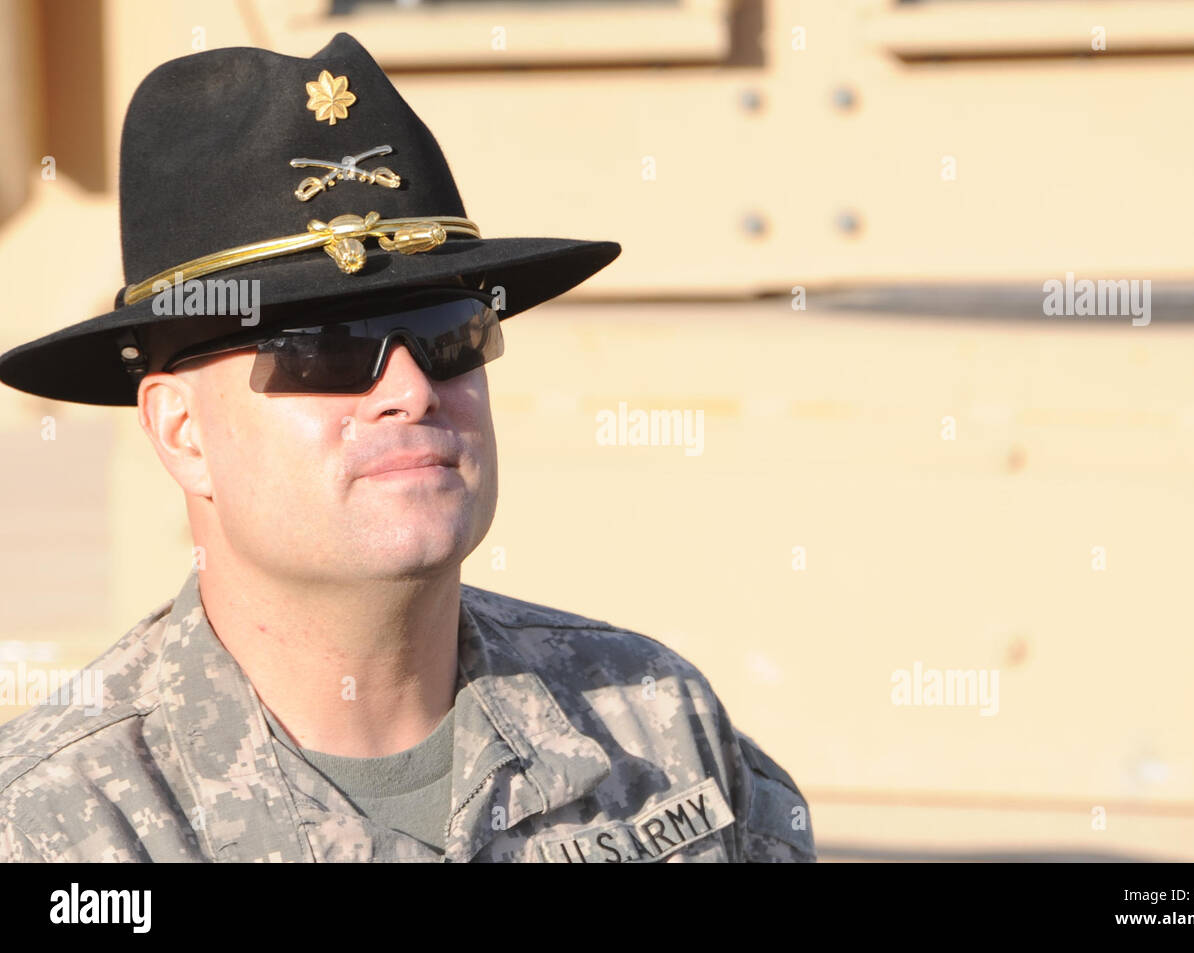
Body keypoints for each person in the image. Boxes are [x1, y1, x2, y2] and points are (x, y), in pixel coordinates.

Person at [0, 33, 815, 862]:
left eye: (447, 333)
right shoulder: (60, 827)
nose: (413, 389)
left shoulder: (658, 727)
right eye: (329, 347)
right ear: (182, 433)